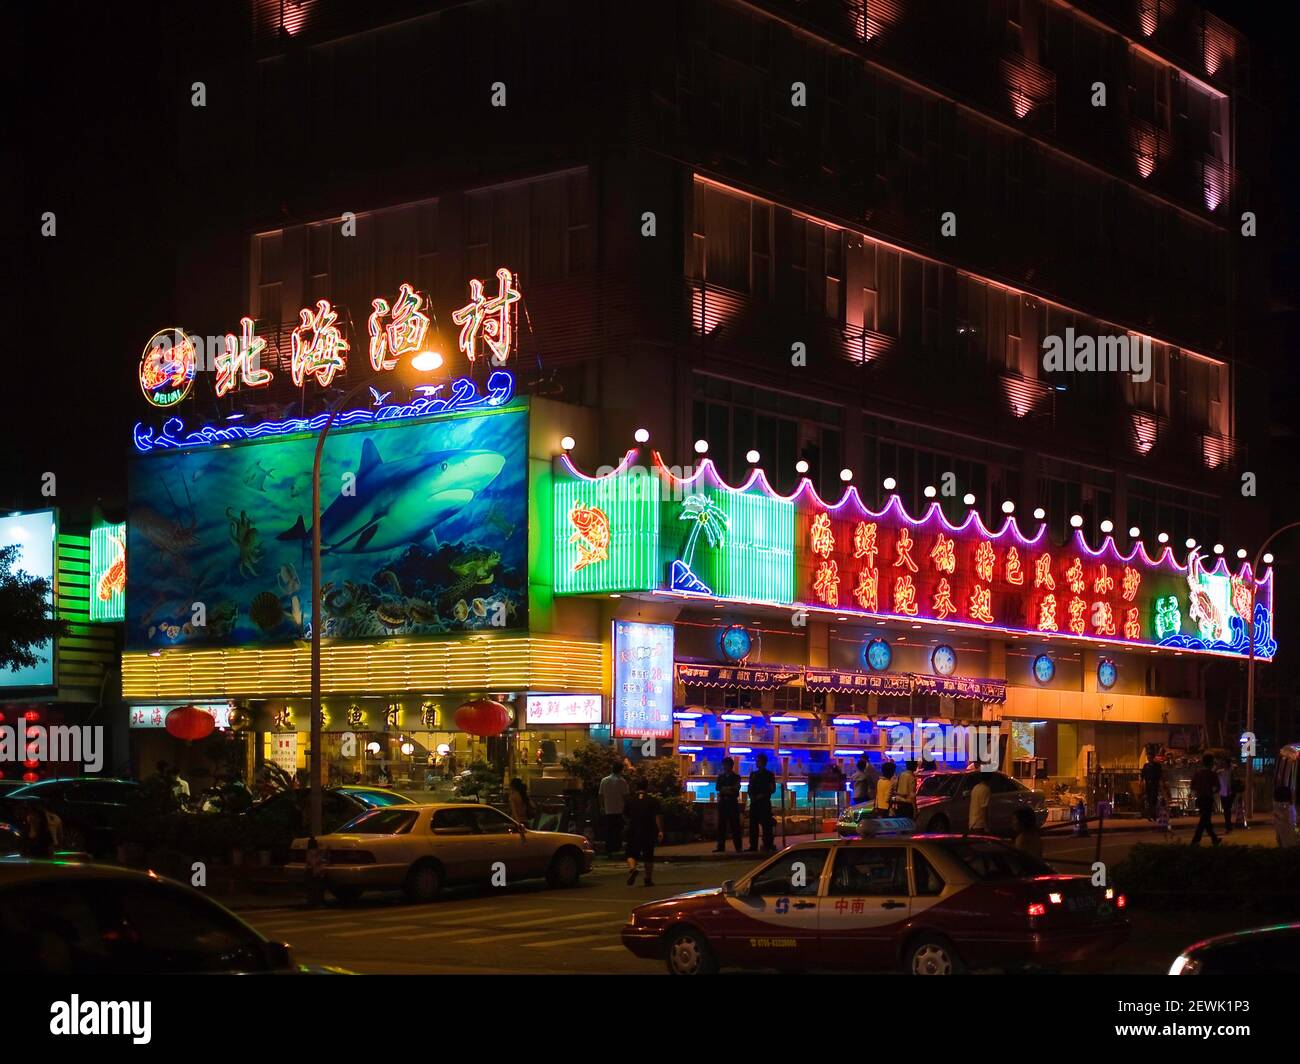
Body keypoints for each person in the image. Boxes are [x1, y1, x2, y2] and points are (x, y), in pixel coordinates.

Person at [623, 777, 664, 886]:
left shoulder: (630, 800)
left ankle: (632, 868)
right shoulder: (653, 801)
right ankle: (648, 879)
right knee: (648, 855)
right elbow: (657, 817)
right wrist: (660, 830)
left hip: (633, 829)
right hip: (648, 830)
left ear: (636, 787)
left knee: (630, 853)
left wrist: (629, 824)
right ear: (647, 787)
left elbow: (625, 816)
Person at [598, 760, 630, 858]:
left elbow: (600, 795)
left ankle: (609, 850)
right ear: (621, 770)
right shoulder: (622, 781)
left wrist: (601, 807)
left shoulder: (604, 780)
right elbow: (626, 797)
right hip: (619, 810)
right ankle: (617, 849)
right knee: (618, 830)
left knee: (609, 831)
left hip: (608, 810)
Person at [746, 753, 777, 853]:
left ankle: (767, 844)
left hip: (763, 802)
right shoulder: (754, 774)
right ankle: (753, 845)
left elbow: (771, 789)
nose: (756, 763)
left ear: (763, 762)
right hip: (756, 802)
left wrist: (759, 795)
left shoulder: (769, 775)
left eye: (758, 761)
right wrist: (753, 796)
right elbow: (750, 788)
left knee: (766, 825)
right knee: (753, 825)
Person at [1189, 754, 1222, 847]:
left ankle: (1213, 839)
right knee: (1205, 820)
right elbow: (1218, 787)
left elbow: (1192, 786)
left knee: (1206, 820)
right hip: (1208, 798)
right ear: (1211, 763)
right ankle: (1196, 840)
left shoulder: (1197, 774)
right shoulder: (1212, 774)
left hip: (1200, 799)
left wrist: (1199, 790)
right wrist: (1212, 791)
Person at [714, 757, 743, 852]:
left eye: (727, 765)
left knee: (735, 825)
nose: (726, 767)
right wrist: (730, 789)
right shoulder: (721, 777)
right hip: (723, 803)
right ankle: (720, 846)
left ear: (731, 765)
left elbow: (735, 789)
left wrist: (725, 789)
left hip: (732, 803)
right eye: (725, 765)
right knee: (721, 825)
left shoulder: (736, 777)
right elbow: (718, 788)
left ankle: (738, 847)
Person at [1140, 752, 1162, 820]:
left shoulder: (1157, 766)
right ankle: (1150, 814)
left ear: (1152, 758)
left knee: (1153, 799)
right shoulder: (1146, 765)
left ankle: (1153, 814)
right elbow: (1143, 774)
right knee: (1149, 799)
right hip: (1148, 784)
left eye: (1150, 758)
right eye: (1148, 758)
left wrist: (1160, 782)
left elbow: (1159, 774)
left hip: (1154, 784)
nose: (1149, 759)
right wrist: (1141, 781)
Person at [1217, 760, 1234, 834]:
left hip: (1229, 793)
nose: (1225, 765)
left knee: (1227, 810)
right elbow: (1214, 772)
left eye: (1226, 764)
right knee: (1226, 810)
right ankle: (1228, 825)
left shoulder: (1231, 771)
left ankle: (1228, 826)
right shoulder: (1220, 771)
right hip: (1223, 793)